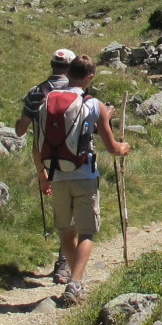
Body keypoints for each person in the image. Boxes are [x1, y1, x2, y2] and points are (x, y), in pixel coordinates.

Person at [35, 55, 130, 307]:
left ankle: (75, 274)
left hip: (56, 174)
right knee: (87, 231)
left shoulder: (48, 100)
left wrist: (42, 175)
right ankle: (75, 284)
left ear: (68, 74)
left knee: (66, 229)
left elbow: (37, 145)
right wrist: (123, 147)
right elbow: (111, 147)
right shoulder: (94, 105)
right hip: (85, 175)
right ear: (90, 76)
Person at [16, 48, 77, 283]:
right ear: (70, 68)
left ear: (51, 65)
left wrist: (42, 175)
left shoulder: (35, 92)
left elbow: (21, 130)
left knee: (61, 211)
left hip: (44, 158)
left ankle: (64, 260)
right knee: (72, 209)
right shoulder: (78, 91)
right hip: (73, 159)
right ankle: (64, 263)